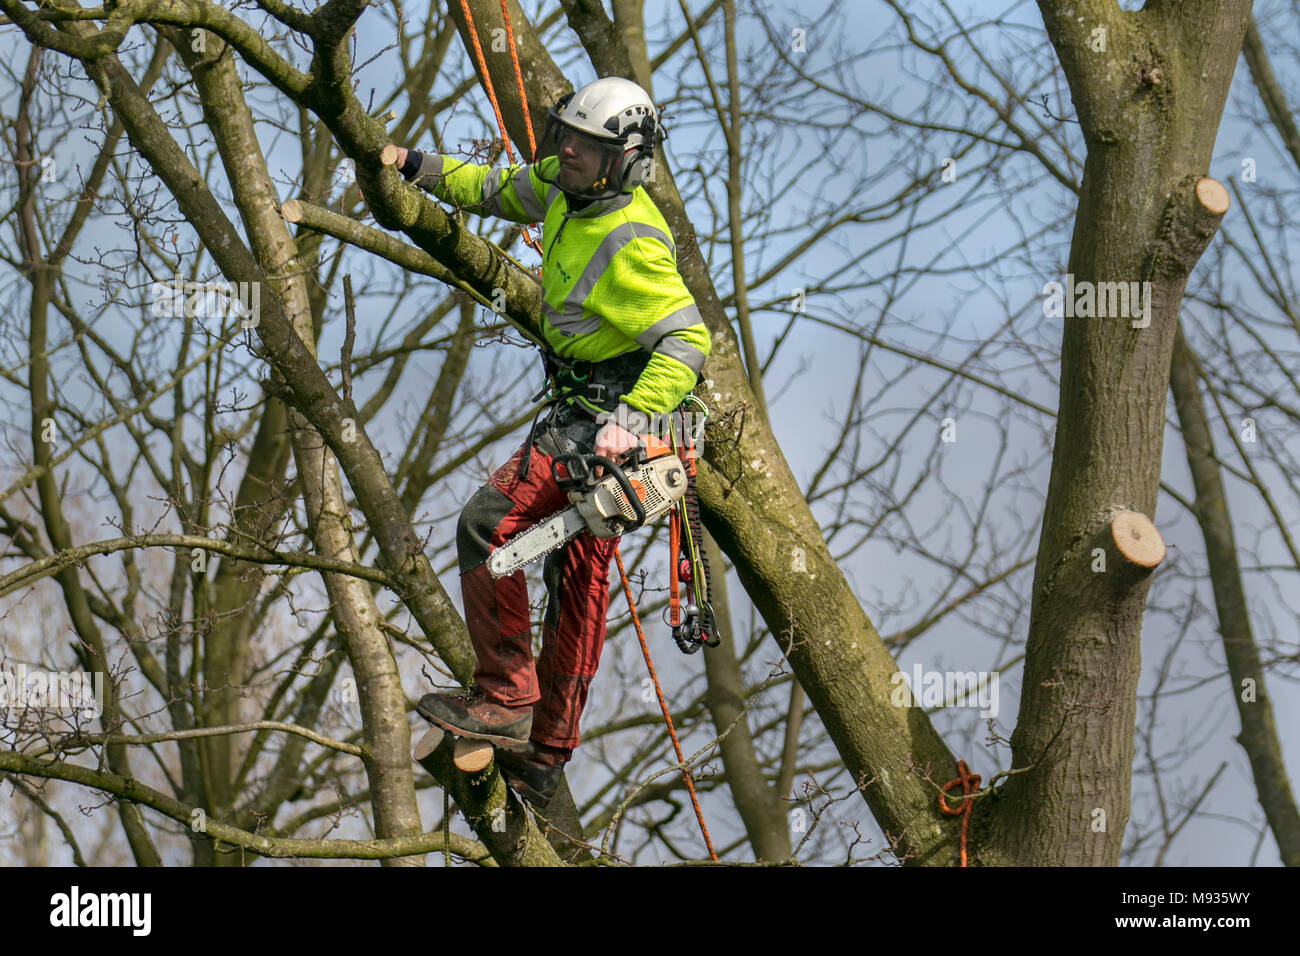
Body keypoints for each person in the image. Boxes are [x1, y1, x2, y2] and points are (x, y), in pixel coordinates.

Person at [393, 77, 711, 806]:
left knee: (489, 524)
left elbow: (689, 342)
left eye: (587, 145)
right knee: (575, 576)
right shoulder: (564, 186)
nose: (567, 150)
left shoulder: (632, 236)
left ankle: (507, 700)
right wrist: (417, 166)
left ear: (622, 159)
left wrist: (630, 419)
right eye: (564, 135)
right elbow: (499, 187)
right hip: (584, 408)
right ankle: (544, 751)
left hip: (608, 419)